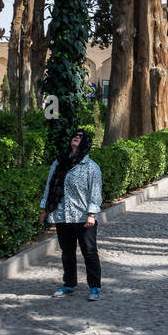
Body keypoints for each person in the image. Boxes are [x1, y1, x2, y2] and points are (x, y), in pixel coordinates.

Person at [40, 128, 103, 299]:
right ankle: (69, 284)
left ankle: (95, 287)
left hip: (83, 216)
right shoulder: (58, 163)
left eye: (81, 136)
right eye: (75, 135)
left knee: (89, 251)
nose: (76, 137)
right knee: (67, 252)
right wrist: (45, 209)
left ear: (86, 142)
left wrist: (91, 214)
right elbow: (50, 186)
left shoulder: (91, 167)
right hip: (62, 215)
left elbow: (95, 193)